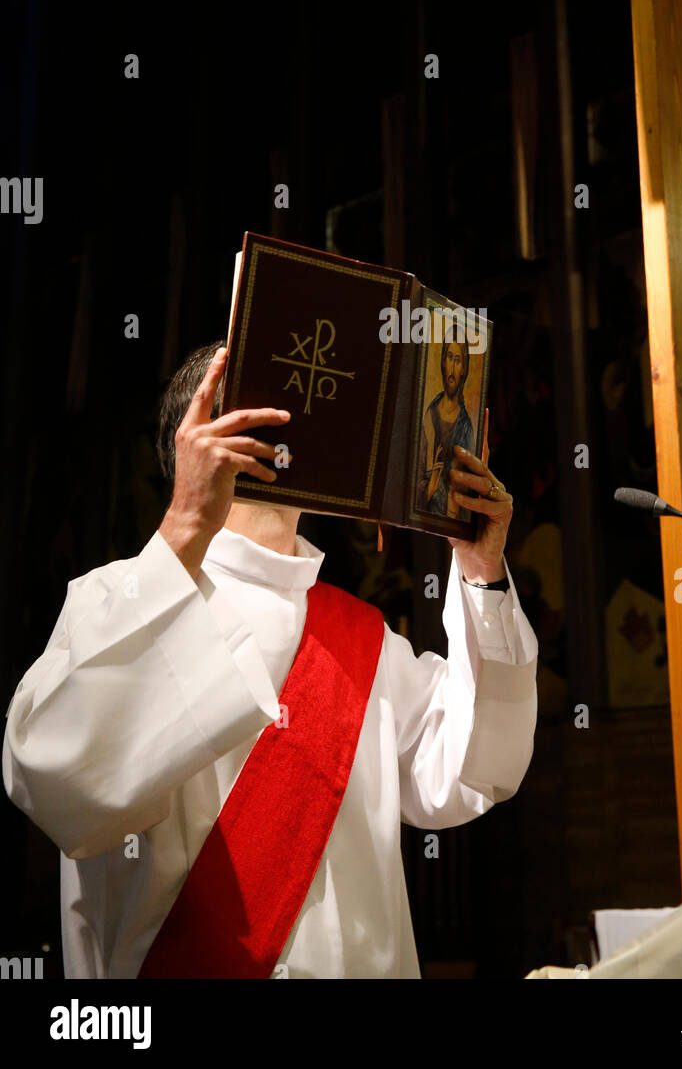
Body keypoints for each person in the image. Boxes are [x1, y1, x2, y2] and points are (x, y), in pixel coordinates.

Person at [3, 341, 537, 979]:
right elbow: (58, 784)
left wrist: (481, 571)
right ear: (196, 441)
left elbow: (477, 770)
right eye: (260, 405)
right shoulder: (118, 603)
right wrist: (183, 524)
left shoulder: (364, 642)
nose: (293, 423)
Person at [417, 339, 476, 518]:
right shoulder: (430, 415)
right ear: (443, 362)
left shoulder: (465, 427)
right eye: (449, 357)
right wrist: (429, 489)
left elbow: (466, 492)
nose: (452, 369)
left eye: (458, 360)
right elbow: (416, 476)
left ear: (464, 369)